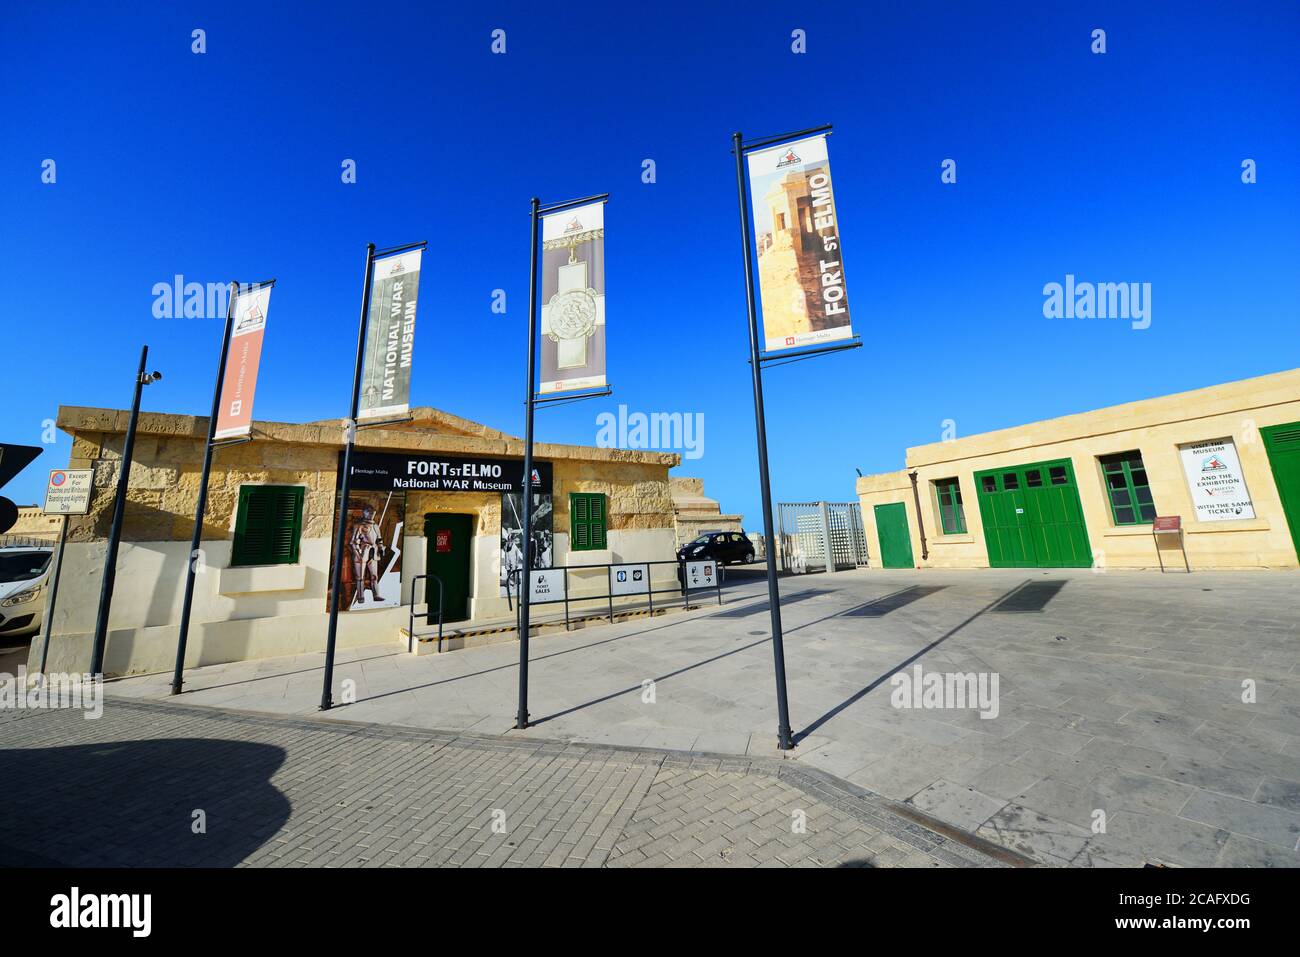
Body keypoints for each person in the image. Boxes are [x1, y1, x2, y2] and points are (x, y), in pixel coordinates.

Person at [349, 503, 386, 605]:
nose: (371, 515)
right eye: (369, 513)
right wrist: (358, 554)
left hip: (373, 553)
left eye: (372, 513)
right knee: (360, 577)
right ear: (364, 513)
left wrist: (381, 548)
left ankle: (376, 595)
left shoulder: (375, 526)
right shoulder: (359, 526)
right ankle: (361, 597)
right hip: (362, 552)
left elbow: (379, 539)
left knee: (374, 576)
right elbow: (353, 542)